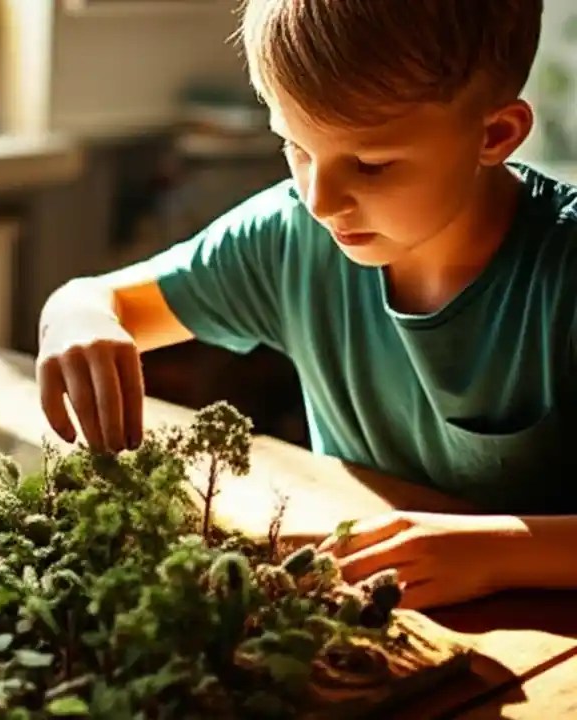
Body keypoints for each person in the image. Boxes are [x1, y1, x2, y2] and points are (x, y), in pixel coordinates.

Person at [35, 0, 577, 610]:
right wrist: (78, 316)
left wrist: (498, 550)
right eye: (295, 147)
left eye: (371, 165)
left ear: (496, 134)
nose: (321, 200)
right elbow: (99, 299)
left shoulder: (562, 270)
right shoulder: (290, 237)